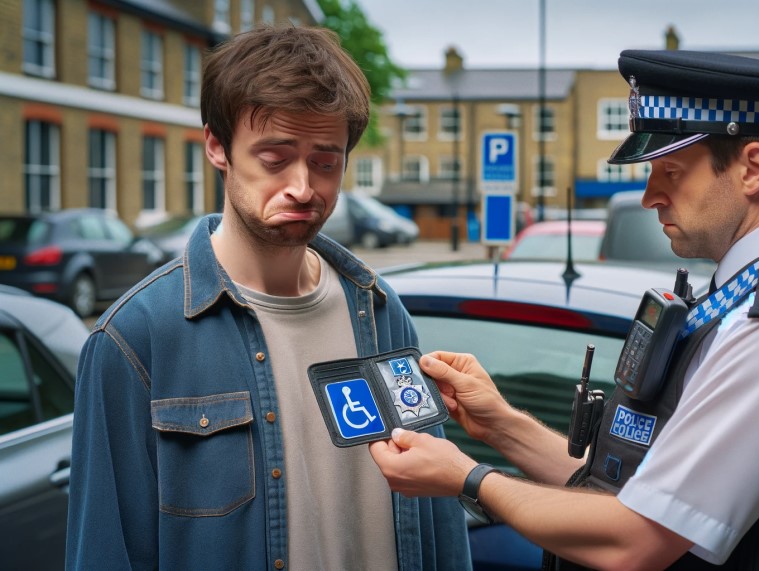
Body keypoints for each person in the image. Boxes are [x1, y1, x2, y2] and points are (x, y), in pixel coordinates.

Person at [370, 49, 759, 570]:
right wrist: (501, 426)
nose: (650, 196)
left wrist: (464, 476)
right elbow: (636, 489)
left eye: (672, 171)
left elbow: (635, 538)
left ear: (754, 167)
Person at [66, 25, 470, 570]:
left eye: (325, 161)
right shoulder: (134, 338)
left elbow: (439, 524)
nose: (303, 186)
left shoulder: (379, 311)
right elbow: (104, 551)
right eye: (275, 158)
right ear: (217, 146)